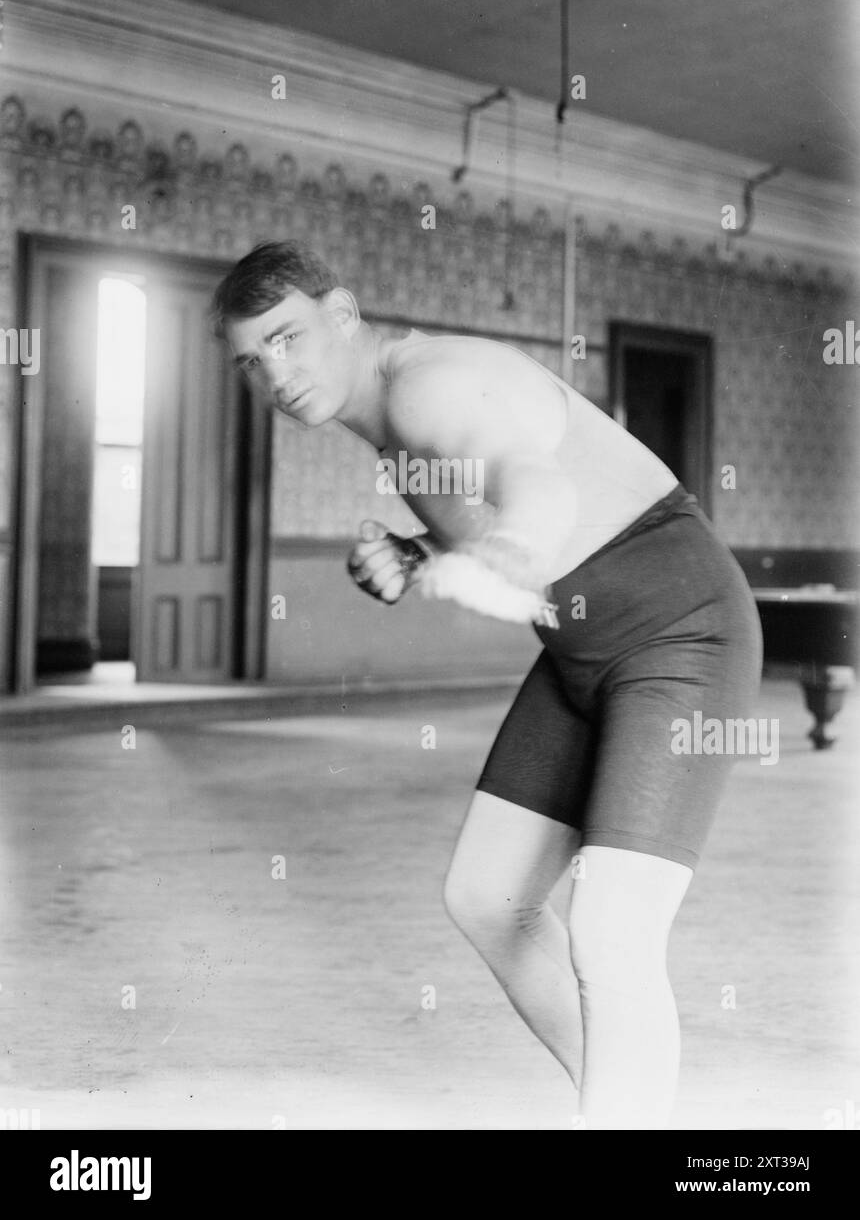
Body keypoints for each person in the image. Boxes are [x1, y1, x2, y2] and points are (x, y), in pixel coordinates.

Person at [210, 239, 763, 1129]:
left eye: (287, 337)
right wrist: (423, 551)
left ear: (343, 314)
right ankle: (639, 1108)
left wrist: (505, 558)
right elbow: (506, 496)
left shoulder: (427, 384)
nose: (273, 373)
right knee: (487, 898)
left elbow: (535, 489)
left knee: (613, 933)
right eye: (251, 358)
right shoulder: (389, 416)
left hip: (681, 632)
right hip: (583, 652)